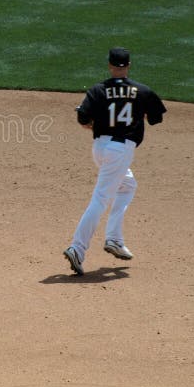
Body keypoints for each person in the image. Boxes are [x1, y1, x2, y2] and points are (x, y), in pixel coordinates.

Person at [63, 47, 167, 275]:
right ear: (128, 66)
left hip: (100, 148)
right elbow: (156, 118)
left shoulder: (98, 90)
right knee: (101, 198)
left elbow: (83, 118)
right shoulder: (142, 91)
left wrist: (93, 123)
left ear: (110, 66)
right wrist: (138, 113)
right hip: (120, 150)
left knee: (127, 185)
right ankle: (77, 248)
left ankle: (114, 239)